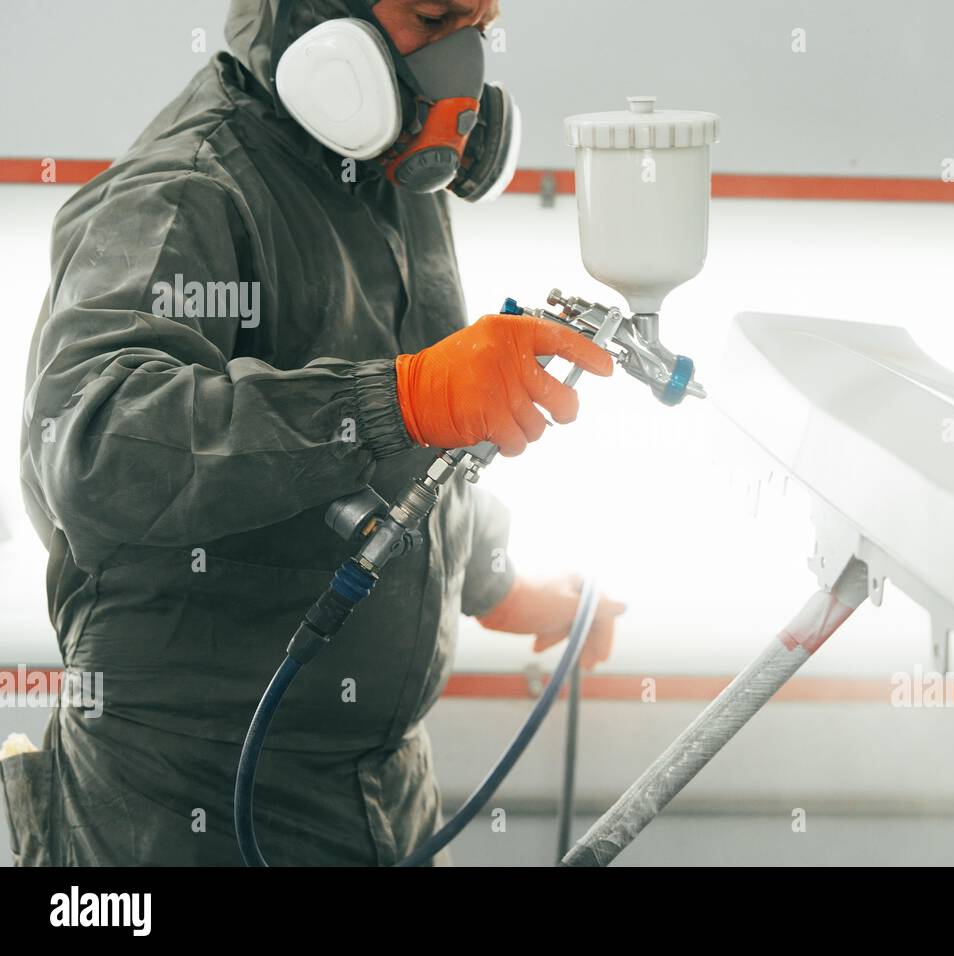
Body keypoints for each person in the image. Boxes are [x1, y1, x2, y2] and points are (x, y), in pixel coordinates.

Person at [8, 0, 625, 866]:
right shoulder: (188, 188)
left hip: (380, 797)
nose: (464, 69)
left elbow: (399, 454)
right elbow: (96, 445)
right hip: (182, 813)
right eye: (434, 18)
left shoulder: (384, 172)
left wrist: (489, 579)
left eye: (478, 27)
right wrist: (397, 398)